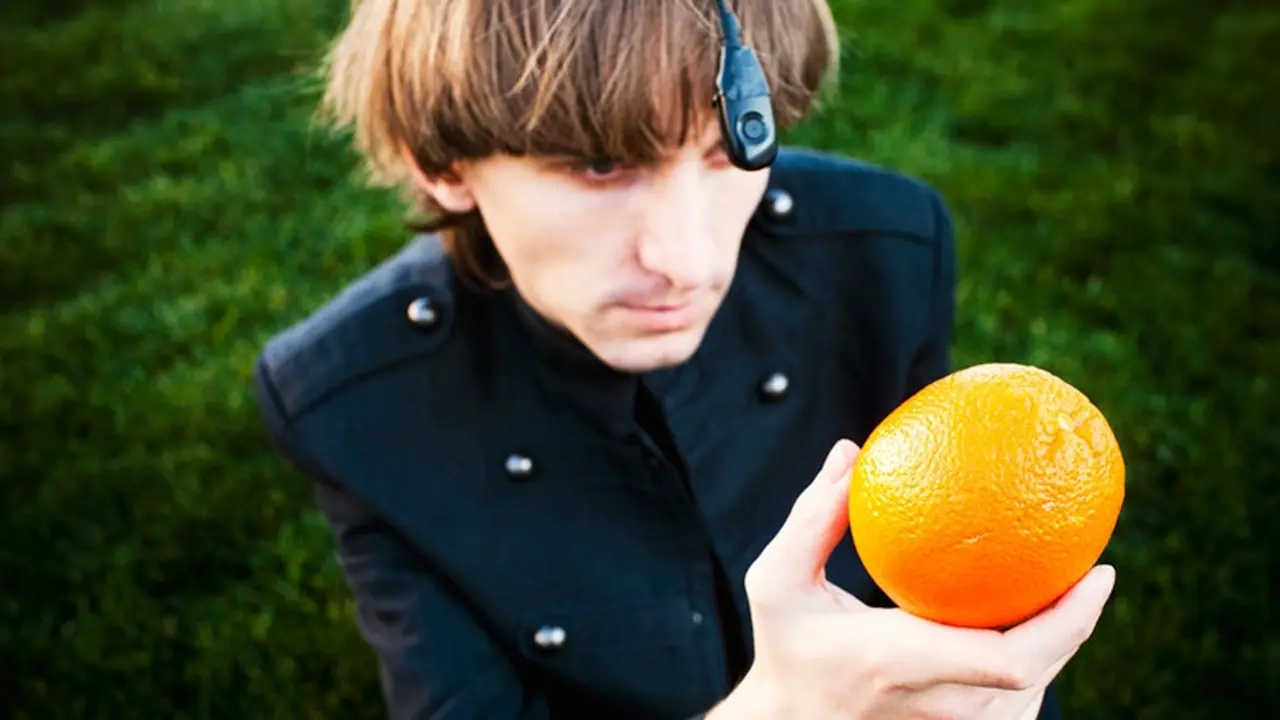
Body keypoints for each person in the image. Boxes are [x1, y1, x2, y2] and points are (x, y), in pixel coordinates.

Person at [250, 0, 1117, 718]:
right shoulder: (348, 402)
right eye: (599, 166)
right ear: (441, 163)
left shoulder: (884, 249)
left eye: (729, 149)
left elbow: (949, 551)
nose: (690, 260)